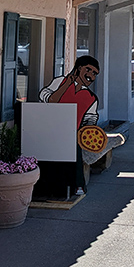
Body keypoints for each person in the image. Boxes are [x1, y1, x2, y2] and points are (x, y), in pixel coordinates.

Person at [39, 55, 100, 195]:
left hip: (73, 133)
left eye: (94, 73)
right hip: (48, 129)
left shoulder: (92, 98)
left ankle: (77, 185)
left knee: (74, 153)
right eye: (88, 70)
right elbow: (48, 99)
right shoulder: (59, 82)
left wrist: (86, 132)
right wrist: (66, 84)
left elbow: (90, 120)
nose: (91, 75)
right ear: (79, 68)